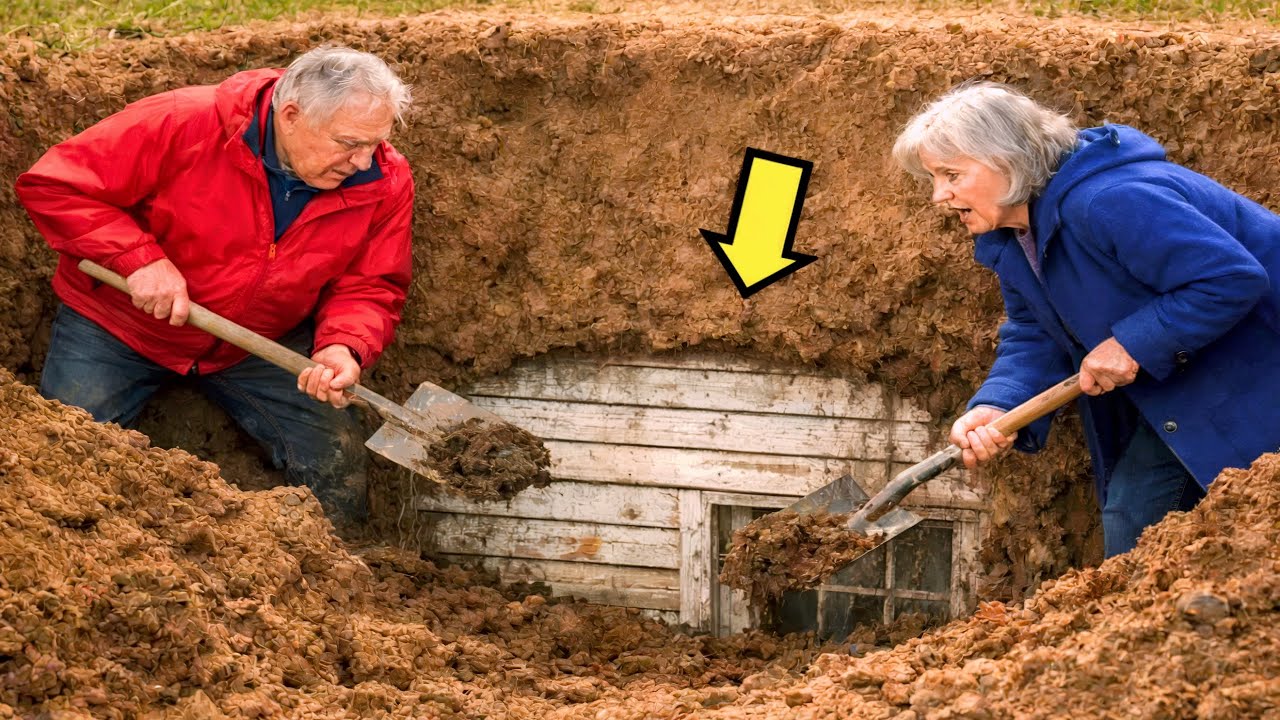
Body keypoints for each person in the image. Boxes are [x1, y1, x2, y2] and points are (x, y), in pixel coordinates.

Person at [16, 46, 415, 527]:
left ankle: (340, 580)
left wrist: (343, 348)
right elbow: (58, 185)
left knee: (337, 464)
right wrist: (139, 260)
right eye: (349, 142)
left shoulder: (384, 179)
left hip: (258, 345)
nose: (363, 160)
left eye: (375, 143)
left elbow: (370, 283)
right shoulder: (184, 123)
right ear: (291, 115)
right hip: (119, 327)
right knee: (60, 464)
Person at [892, 82, 1280, 557]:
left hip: (1258, 372)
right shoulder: (1014, 237)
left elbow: (1230, 278)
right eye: (933, 177)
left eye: (951, 174)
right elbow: (1036, 333)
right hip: (1188, 386)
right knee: (1135, 521)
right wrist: (998, 404)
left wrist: (1131, 344)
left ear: (1006, 159)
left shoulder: (1111, 201)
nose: (938, 195)